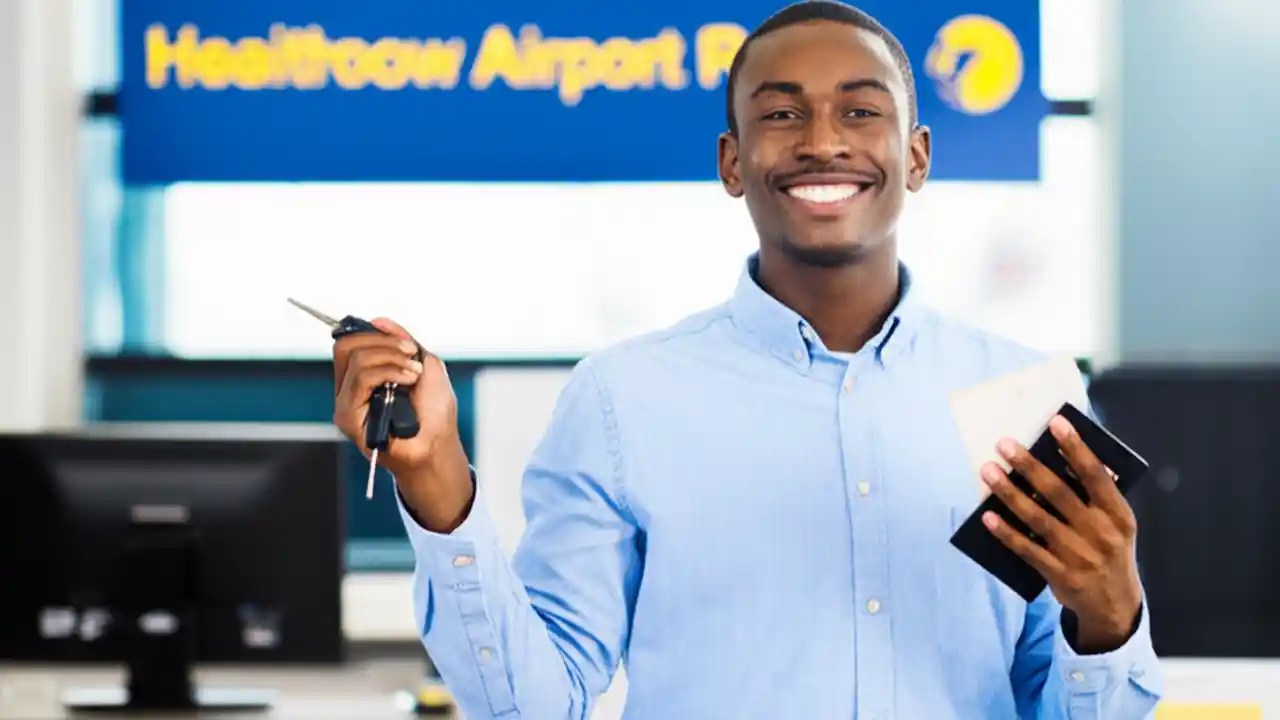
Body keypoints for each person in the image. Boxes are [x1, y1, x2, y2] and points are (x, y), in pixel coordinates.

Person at [330, 2, 1164, 718]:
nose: (823, 142)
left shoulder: (1025, 397)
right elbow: (540, 704)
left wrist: (1110, 615)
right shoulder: (624, 400)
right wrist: (437, 486)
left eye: (862, 111)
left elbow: (1046, 699)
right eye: (782, 114)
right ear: (733, 162)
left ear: (917, 157)